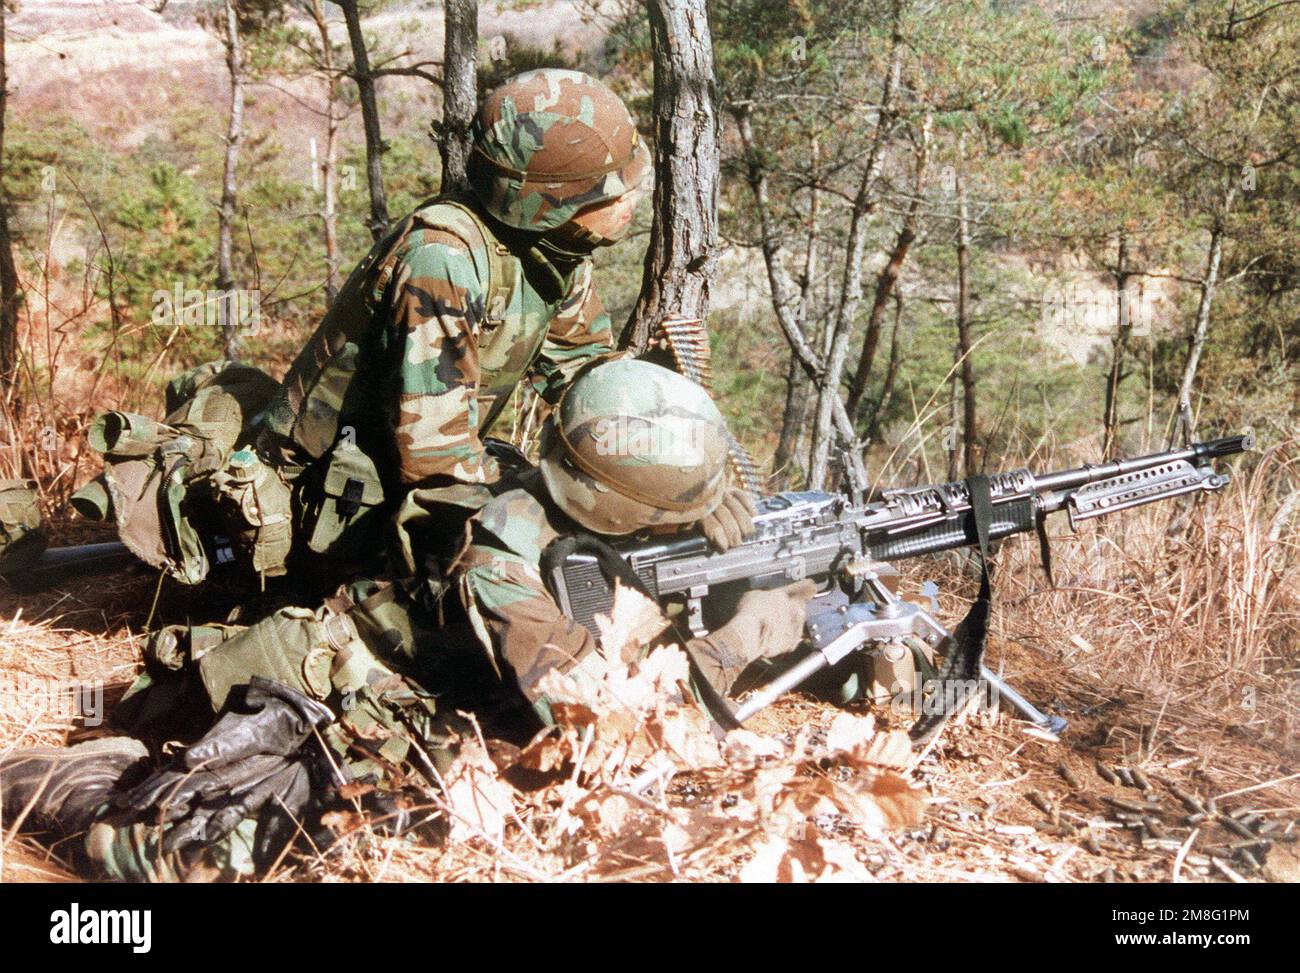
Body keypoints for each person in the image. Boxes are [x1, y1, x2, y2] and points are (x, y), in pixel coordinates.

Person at [0, 362, 808, 881]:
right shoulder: (504, 558)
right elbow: (604, 733)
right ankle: (77, 784)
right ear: (623, 504)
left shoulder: (573, 505)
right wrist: (740, 638)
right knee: (194, 861)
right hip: (314, 697)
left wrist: (716, 534)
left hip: (416, 691)